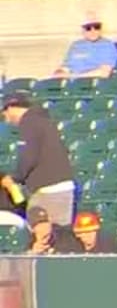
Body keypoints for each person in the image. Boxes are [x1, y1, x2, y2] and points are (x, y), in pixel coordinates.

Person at [2, 92, 76, 226]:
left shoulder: (29, 122)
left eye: (4, 112)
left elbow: (29, 155)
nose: (6, 118)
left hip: (49, 190)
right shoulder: (43, 120)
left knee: (44, 235)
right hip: (60, 187)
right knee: (59, 234)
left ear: (11, 107)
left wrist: (14, 178)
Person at [53, 18, 117, 80]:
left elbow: (104, 73)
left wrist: (75, 77)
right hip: (72, 83)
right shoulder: (76, 45)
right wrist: (59, 73)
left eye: (97, 27)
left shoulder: (107, 45)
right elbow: (65, 68)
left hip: (93, 84)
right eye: (88, 28)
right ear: (83, 30)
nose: (93, 31)